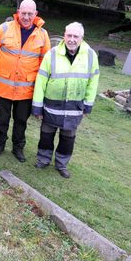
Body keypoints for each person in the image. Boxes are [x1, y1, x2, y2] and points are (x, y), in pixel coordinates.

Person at [32, 22, 99, 179]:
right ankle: (43, 159)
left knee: (68, 138)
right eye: (69, 35)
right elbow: (41, 81)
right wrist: (37, 106)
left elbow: (93, 82)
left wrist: (88, 105)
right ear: (64, 35)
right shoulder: (52, 54)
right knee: (46, 135)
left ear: (82, 38)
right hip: (51, 105)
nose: (72, 39)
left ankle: (61, 164)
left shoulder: (90, 56)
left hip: (74, 107)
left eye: (76, 36)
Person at [0, 0, 51, 162]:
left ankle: (18, 148)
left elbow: (46, 64)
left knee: (21, 121)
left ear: (36, 14)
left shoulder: (43, 35)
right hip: (3, 87)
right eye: (24, 13)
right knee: (1, 119)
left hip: (26, 90)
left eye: (30, 14)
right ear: (18, 12)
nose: (26, 17)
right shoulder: (4, 28)